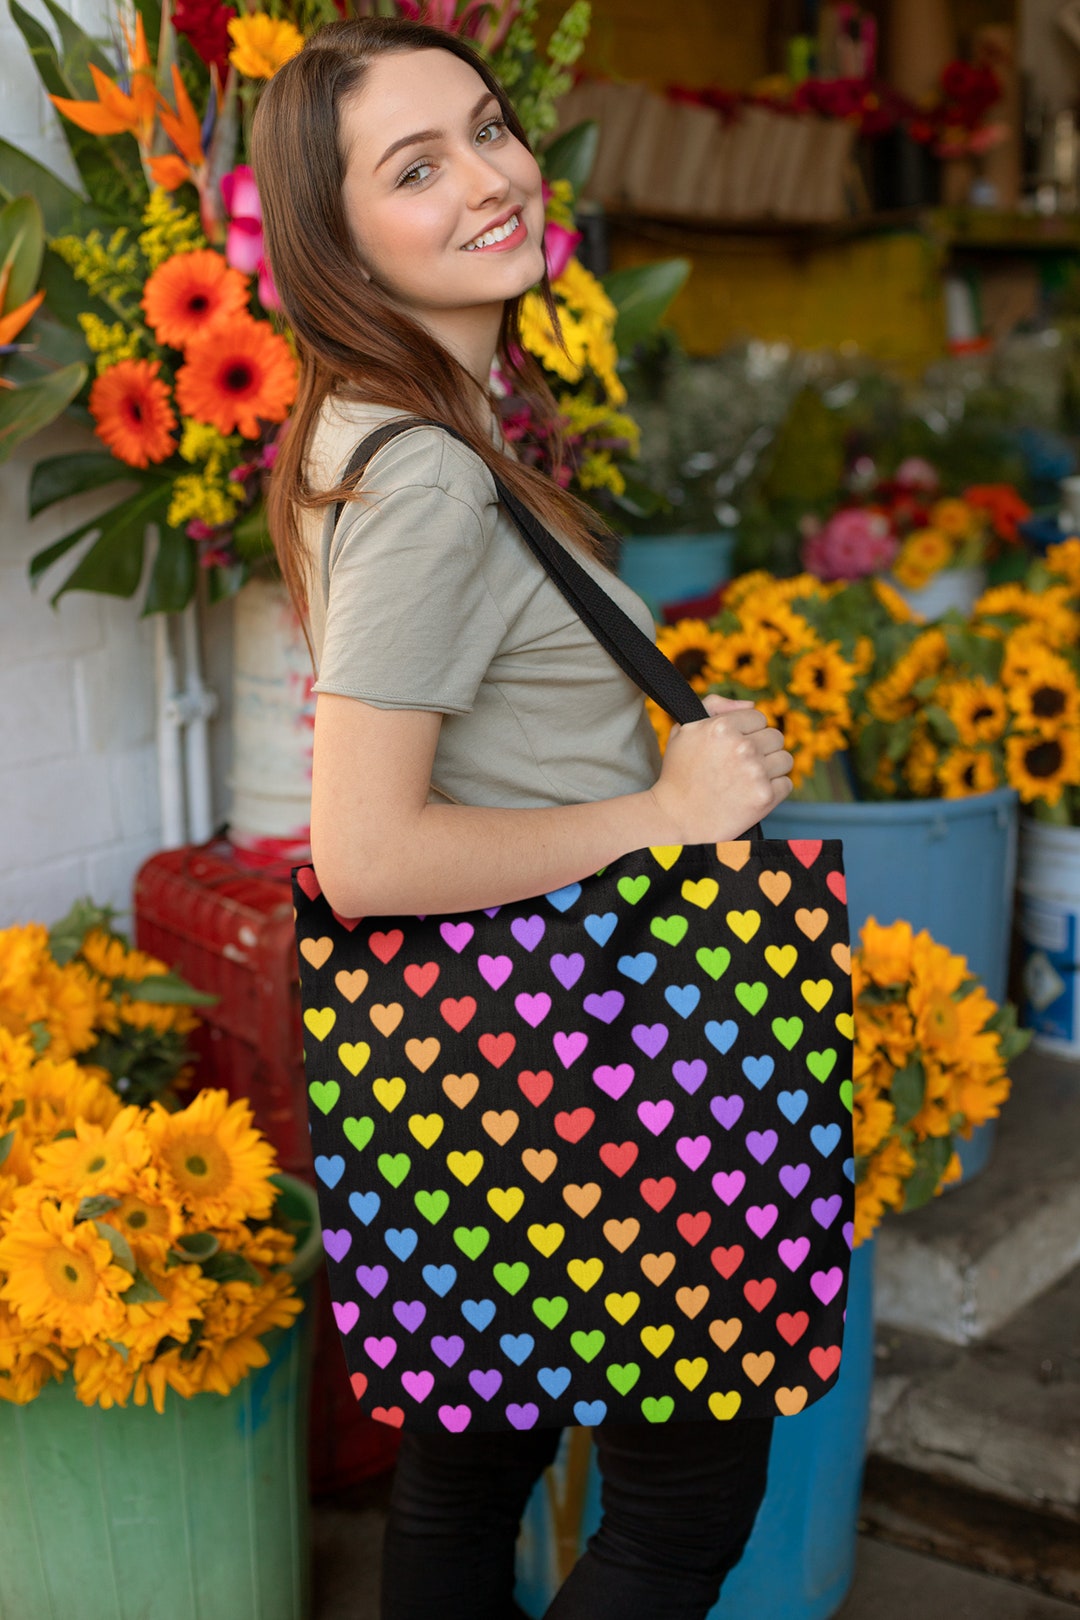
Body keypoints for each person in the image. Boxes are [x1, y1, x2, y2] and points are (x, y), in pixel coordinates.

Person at [252, 19, 794, 1620]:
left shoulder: (383, 434)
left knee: (470, 1475)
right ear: (335, 237)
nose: (493, 177)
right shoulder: (422, 473)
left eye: (489, 130)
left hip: (486, 1067)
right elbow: (365, 853)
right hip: (584, 1055)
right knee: (684, 1507)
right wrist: (664, 809)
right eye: (417, 168)